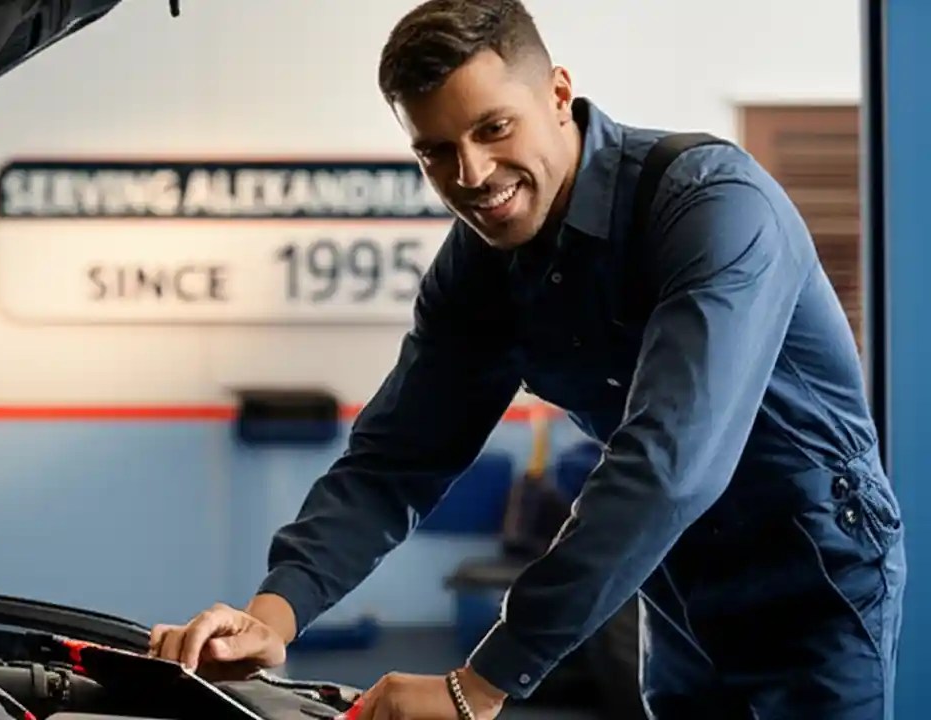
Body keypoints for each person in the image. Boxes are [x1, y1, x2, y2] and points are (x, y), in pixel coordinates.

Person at [148, 1, 906, 718]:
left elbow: (670, 463)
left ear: (559, 93)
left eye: (494, 128)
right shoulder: (481, 269)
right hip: (672, 572)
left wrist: (478, 682)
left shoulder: (711, 204)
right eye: (436, 152)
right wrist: (274, 615)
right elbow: (394, 462)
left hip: (813, 562)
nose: (471, 176)